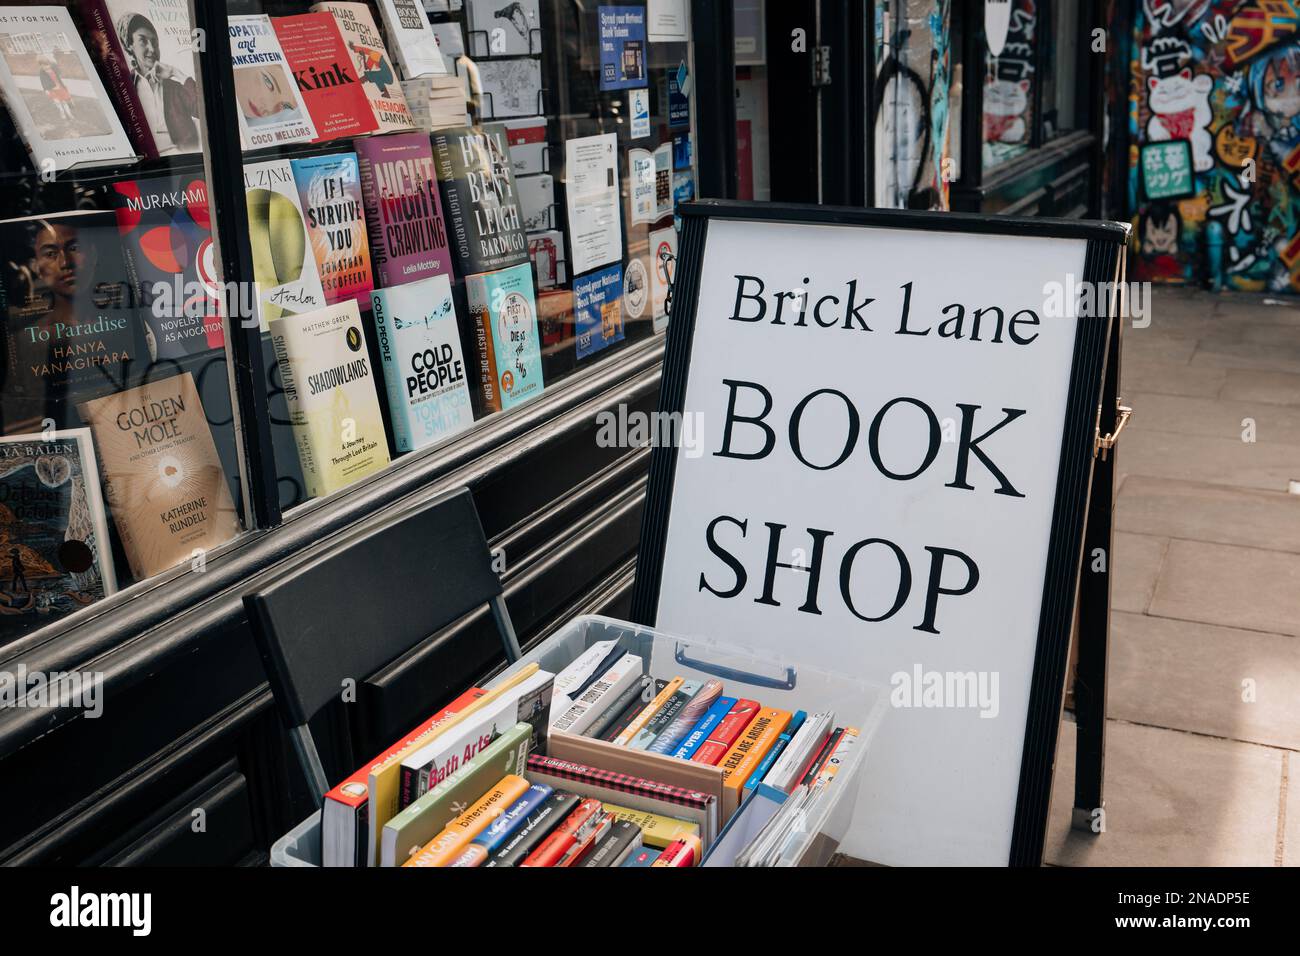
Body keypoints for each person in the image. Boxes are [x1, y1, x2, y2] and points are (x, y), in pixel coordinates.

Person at [117, 13, 200, 153]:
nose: (152, 49)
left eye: (154, 42)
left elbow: (203, 111)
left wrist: (177, 73)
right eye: (143, 41)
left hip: (184, 160)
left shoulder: (174, 88)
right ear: (129, 45)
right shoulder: (124, 87)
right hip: (148, 167)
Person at [37, 56, 75, 123]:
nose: (46, 67)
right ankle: (62, 112)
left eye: (47, 65)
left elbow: (58, 73)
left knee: (64, 102)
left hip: (59, 88)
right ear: (41, 66)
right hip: (52, 90)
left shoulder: (53, 68)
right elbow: (43, 82)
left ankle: (69, 114)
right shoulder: (42, 73)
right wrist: (46, 90)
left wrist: (62, 85)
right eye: (43, 66)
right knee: (57, 102)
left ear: (49, 64)